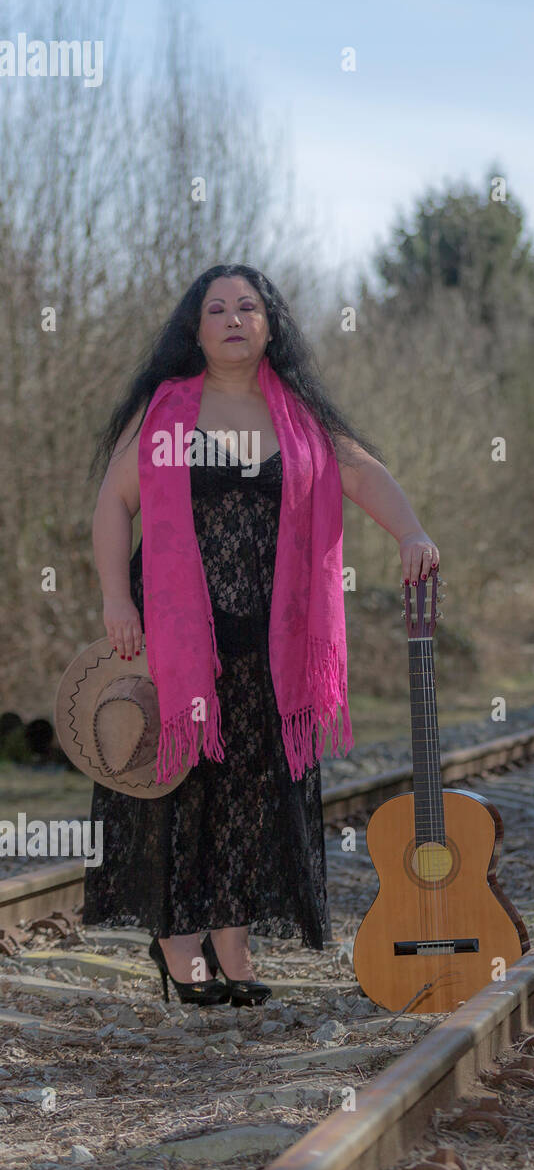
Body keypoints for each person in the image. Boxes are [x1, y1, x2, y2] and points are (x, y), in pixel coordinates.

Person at [86, 263, 437, 1003]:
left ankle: (234, 950)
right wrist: (118, 601)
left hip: (272, 639)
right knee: (179, 784)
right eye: (217, 308)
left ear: (270, 323)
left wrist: (410, 531)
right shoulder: (167, 412)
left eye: (249, 305)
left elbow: (366, 475)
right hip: (178, 634)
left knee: (253, 787)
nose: (234, 317)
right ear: (197, 328)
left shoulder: (301, 418)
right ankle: (181, 952)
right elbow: (114, 507)